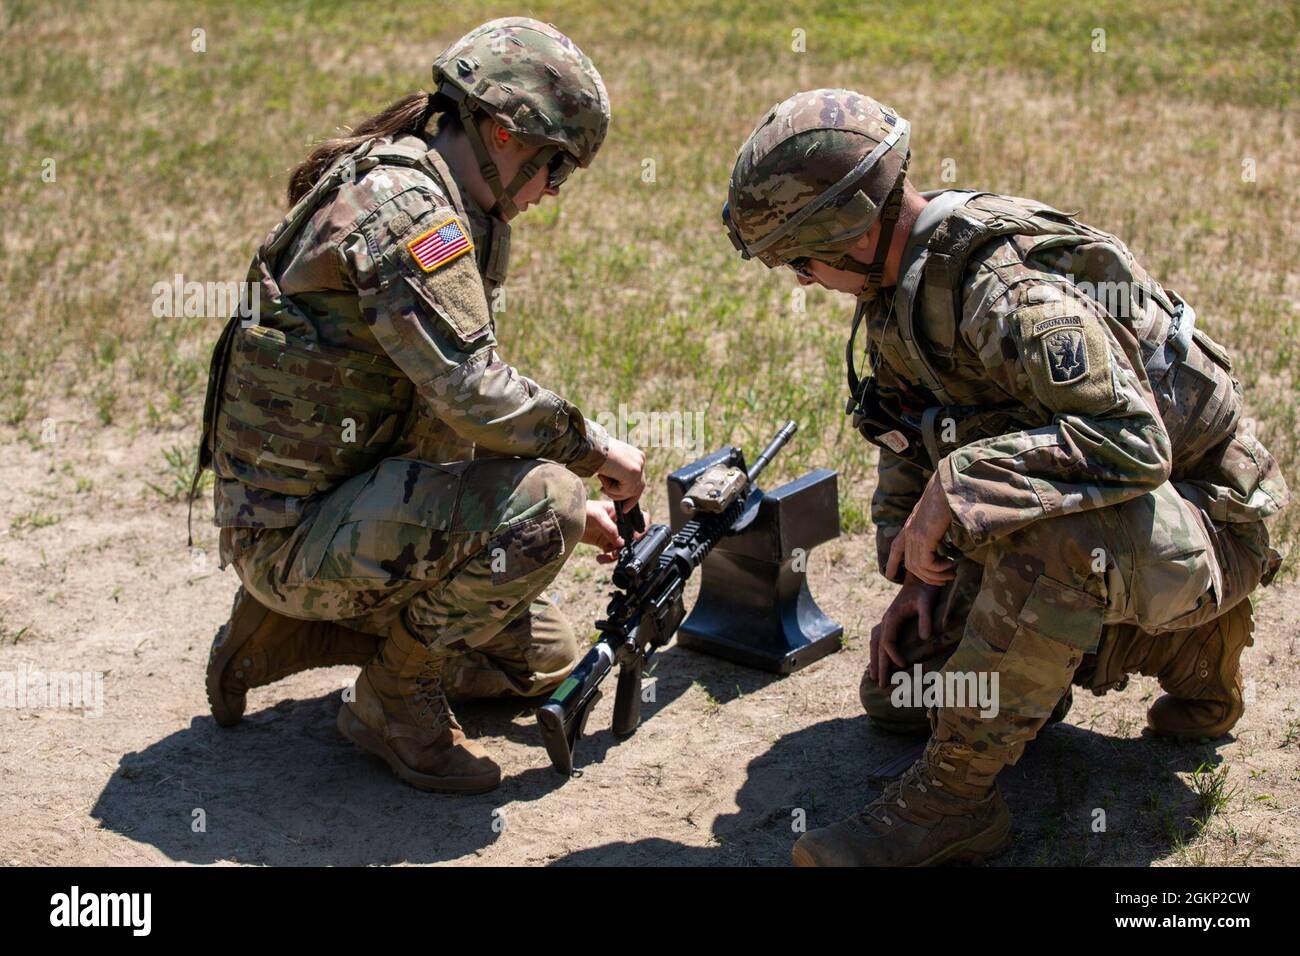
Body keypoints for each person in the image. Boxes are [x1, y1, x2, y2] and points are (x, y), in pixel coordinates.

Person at [722, 89, 1288, 865]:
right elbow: (909, 435)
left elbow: (1131, 442)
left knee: (1057, 544)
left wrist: (959, 485)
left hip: (1203, 519)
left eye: (800, 257)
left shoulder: (1007, 290)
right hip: (1121, 516)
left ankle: (952, 805)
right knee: (904, 692)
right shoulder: (900, 296)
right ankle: (1116, 659)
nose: (803, 282)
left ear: (848, 231)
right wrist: (921, 581)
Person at [196, 18, 646, 795]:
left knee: (545, 661)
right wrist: (589, 455)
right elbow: (474, 394)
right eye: (555, 170)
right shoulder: (409, 213)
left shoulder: (437, 190)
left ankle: (286, 631)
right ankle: (391, 703)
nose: (551, 194)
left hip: (336, 503)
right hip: (296, 536)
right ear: (504, 134)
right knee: (551, 506)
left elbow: (443, 395)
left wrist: (521, 508)